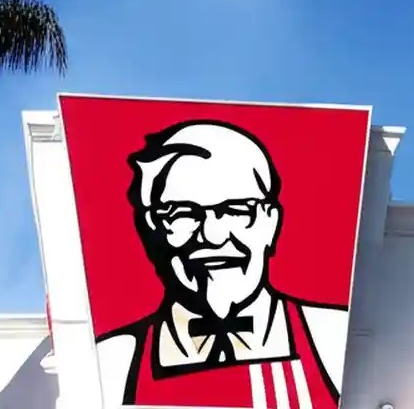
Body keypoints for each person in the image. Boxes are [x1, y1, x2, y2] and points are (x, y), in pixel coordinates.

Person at [95, 120, 350, 409]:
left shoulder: (334, 336)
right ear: (155, 229)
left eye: (236, 210)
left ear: (271, 223)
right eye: (183, 213)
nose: (213, 235)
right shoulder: (112, 361)